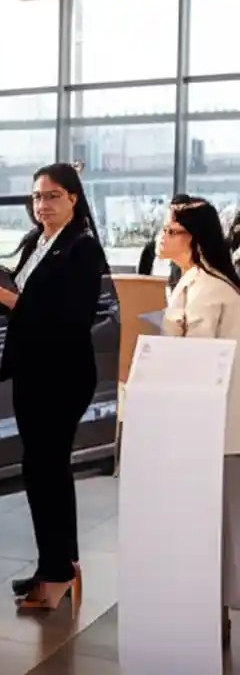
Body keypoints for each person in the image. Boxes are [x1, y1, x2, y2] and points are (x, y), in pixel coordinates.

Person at [0, 162, 106, 611]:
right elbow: (26, 302)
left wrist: (16, 302)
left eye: (51, 196)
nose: (42, 205)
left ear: (72, 198)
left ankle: (58, 573)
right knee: (40, 470)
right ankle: (56, 562)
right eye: (36, 197)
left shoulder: (82, 249)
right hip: (32, 370)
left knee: (48, 470)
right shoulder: (37, 242)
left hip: (62, 375)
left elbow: (73, 319)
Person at [155, 194, 240, 648]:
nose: (162, 238)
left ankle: (216, 614)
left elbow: (199, 359)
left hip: (217, 428)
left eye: (170, 231)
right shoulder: (192, 282)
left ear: (195, 238)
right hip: (205, 425)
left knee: (220, 526)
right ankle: (210, 612)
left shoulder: (209, 288)